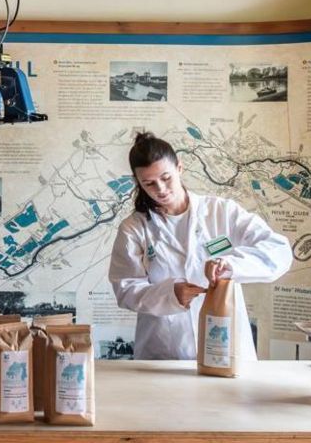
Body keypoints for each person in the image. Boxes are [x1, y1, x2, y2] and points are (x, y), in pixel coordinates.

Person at [108, 132, 292, 360]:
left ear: (179, 168)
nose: (161, 189)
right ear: (139, 182)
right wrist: (169, 295)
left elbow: (278, 251)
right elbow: (125, 289)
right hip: (165, 351)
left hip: (225, 347)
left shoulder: (221, 212)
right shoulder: (134, 228)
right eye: (149, 183)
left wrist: (230, 265)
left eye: (166, 178)